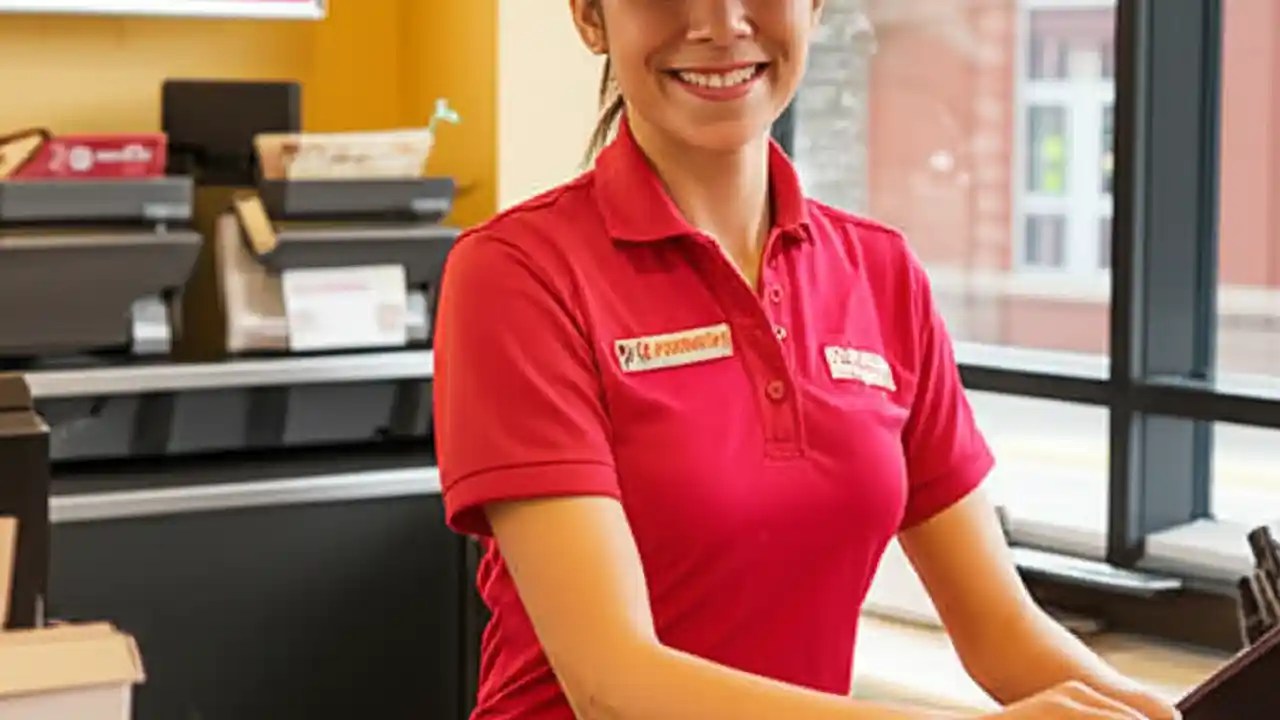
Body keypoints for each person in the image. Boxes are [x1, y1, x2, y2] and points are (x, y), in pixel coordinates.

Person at [433, 1, 1183, 719]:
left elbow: (1002, 632)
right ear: (591, 16)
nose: (719, 23)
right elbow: (615, 686)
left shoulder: (881, 274)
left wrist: (1167, 714)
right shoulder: (515, 276)